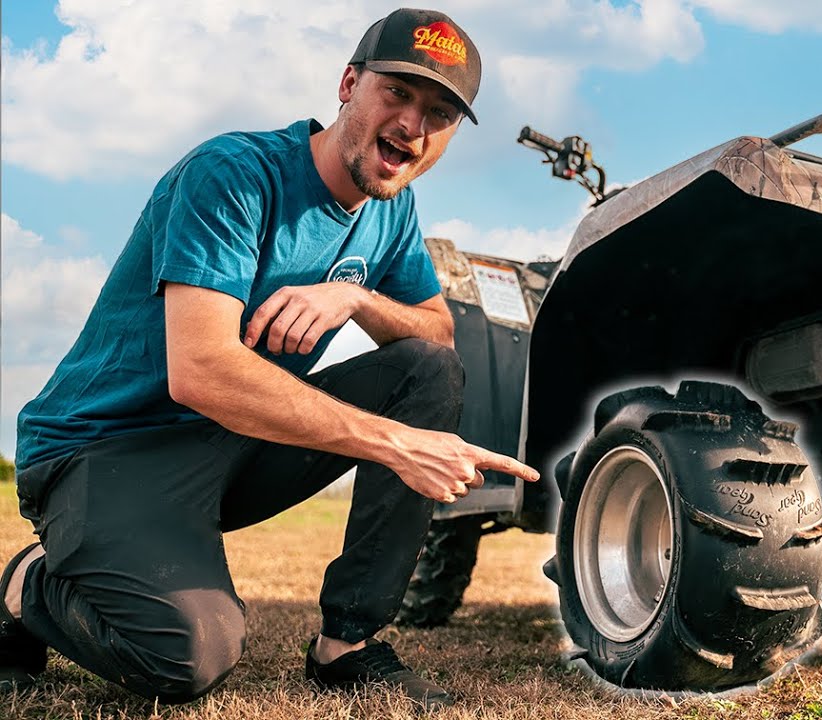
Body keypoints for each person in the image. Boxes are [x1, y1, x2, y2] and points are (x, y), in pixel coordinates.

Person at [0, 8, 536, 711]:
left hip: (224, 450)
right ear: (348, 84)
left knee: (426, 371)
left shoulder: (391, 212)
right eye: (398, 93)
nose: (412, 123)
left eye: (439, 111)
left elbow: (436, 336)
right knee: (186, 658)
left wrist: (355, 303)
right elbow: (202, 370)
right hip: (104, 451)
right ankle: (28, 582)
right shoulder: (234, 176)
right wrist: (396, 443)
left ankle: (348, 643)